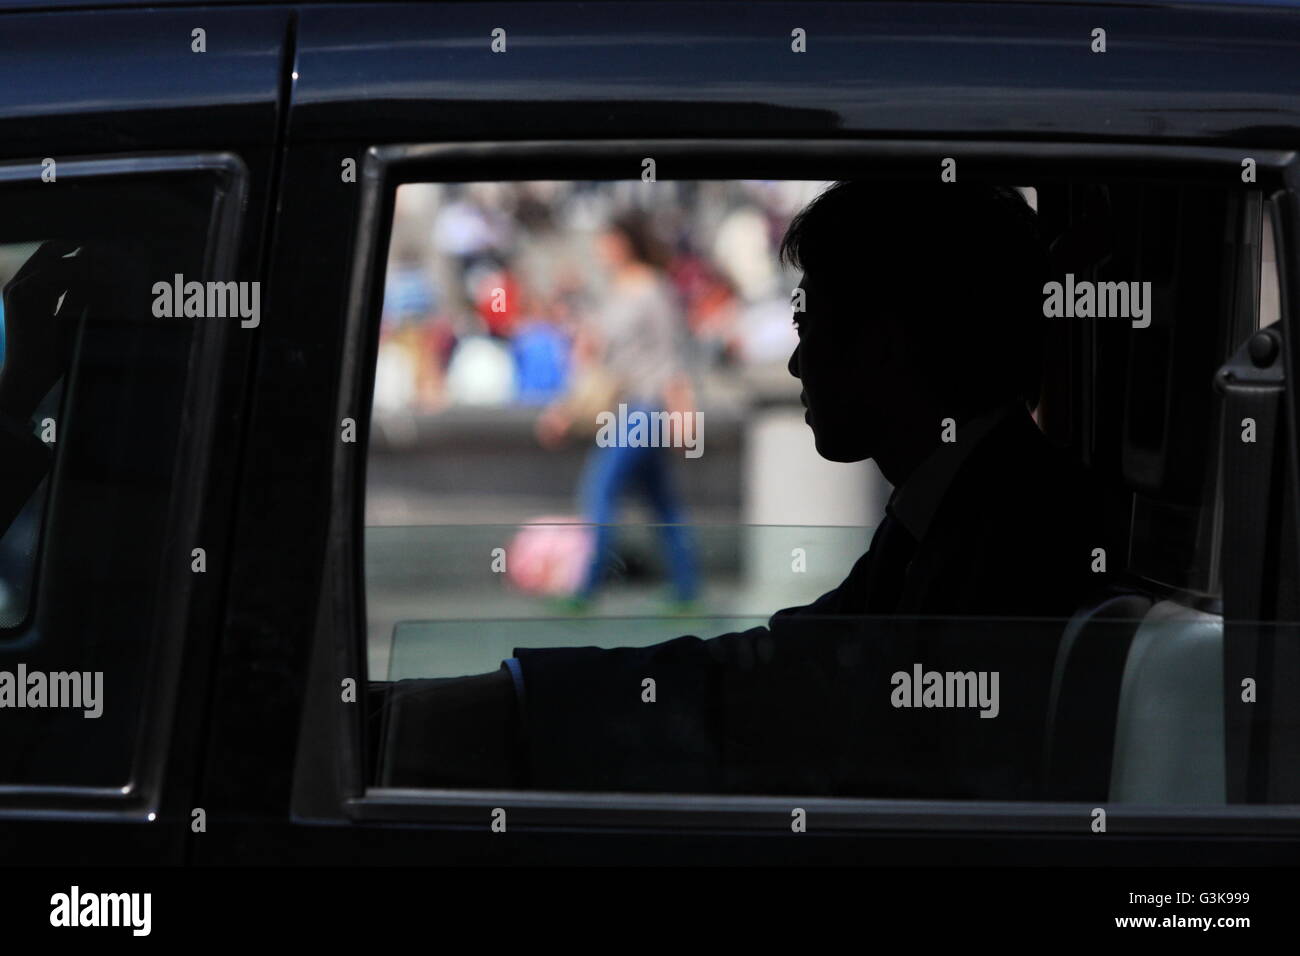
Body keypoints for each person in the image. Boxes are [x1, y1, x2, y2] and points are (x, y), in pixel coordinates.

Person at [384, 183, 1111, 795]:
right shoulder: (963, 505)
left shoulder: (997, 531)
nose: (794, 360)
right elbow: (792, 667)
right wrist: (516, 700)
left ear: (887, 341)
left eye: (810, 321)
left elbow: (795, 695)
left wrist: (510, 706)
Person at [534, 211, 699, 611]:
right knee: (661, 502)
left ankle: (586, 588)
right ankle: (686, 589)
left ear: (623, 242)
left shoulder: (651, 289)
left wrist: (683, 412)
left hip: (645, 408)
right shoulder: (615, 291)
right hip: (622, 407)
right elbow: (597, 361)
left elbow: (670, 356)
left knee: (599, 491)